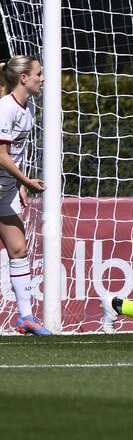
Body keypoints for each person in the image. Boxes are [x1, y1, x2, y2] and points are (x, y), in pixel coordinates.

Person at [0, 55, 50, 335]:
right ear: (24, 78)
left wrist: (17, 186)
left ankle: (25, 317)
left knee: (18, 249)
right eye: (39, 74)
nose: (42, 78)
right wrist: (26, 180)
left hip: (4, 192)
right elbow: (1, 155)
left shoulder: (27, 110)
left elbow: (14, 156)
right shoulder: (5, 109)